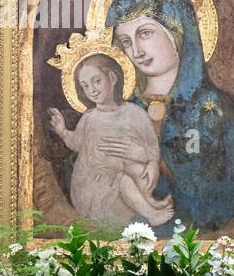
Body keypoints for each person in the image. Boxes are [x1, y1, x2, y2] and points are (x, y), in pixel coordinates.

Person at [105, 0, 234, 236]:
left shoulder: (215, 112)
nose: (136, 51)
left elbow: (233, 196)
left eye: (145, 33)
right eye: (125, 41)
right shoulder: (120, 109)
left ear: (177, 30)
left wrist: (151, 157)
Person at [48, 54, 175, 230]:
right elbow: (76, 144)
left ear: (112, 78)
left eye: (97, 81)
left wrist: (152, 162)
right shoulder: (89, 118)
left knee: (138, 170)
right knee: (122, 179)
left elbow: (151, 146)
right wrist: (62, 131)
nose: (92, 89)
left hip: (121, 175)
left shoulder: (136, 113)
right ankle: (151, 214)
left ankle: (151, 203)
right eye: (85, 86)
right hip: (93, 186)